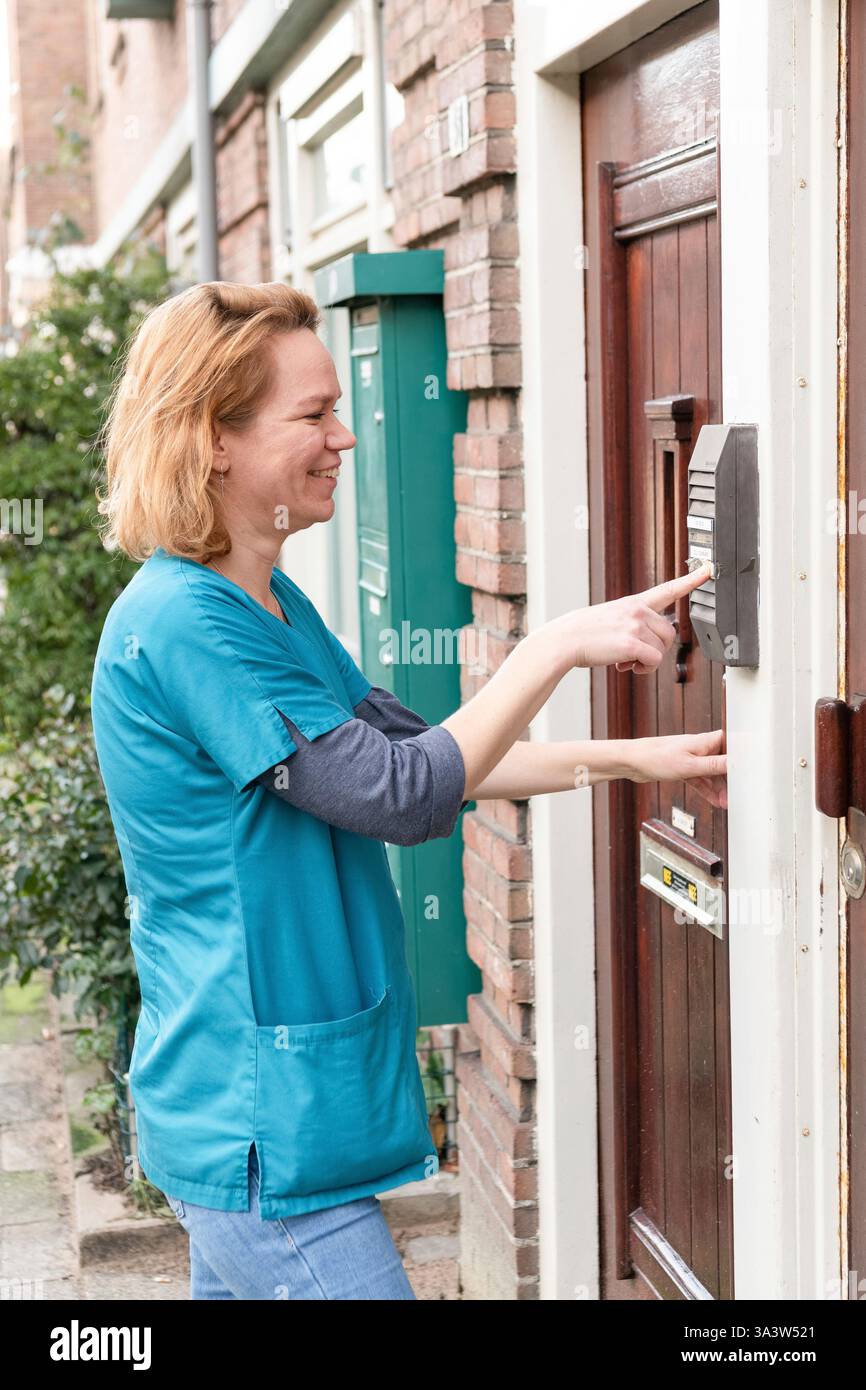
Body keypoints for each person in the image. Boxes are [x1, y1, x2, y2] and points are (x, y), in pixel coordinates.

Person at [89, 280, 726, 1301]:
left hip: (269, 1119)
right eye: (311, 416)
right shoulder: (181, 624)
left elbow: (419, 753)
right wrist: (555, 643)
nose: (340, 437)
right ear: (212, 439)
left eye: (338, 408)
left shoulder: (264, 601)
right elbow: (402, 793)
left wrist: (635, 760)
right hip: (254, 1128)